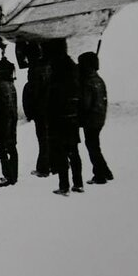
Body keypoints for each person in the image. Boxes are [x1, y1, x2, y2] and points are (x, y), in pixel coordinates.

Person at [47, 43, 84, 196]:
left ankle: (64, 186)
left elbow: (52, 98)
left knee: (61, 153)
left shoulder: (57, 71)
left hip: (59, 119)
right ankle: (78, 183)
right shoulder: (74, 70)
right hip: (72, 118)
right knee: (74, 152)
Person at [79, 52, 114, 184]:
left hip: (91, 120)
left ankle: (100, 174)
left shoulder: (88, 82)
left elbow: (85, 103)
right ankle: (105, 171)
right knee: (94, 145)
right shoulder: (98, 80)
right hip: (99, 118)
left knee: (92, 146)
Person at [0, 56, 19, 187]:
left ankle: (8, 175)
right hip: (11, 121)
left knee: (1, 150)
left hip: (0, 123)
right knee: (12, 148)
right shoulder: (11, 84)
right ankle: (13, 175)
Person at [23, 43, 52, 178]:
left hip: (40, 110)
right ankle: (57, 164)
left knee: (43, 140)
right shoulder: (49, 67)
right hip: (50, 109)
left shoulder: (34, 70)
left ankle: (43, 168)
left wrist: (30, 112)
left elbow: (32, 92)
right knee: (51, 138)